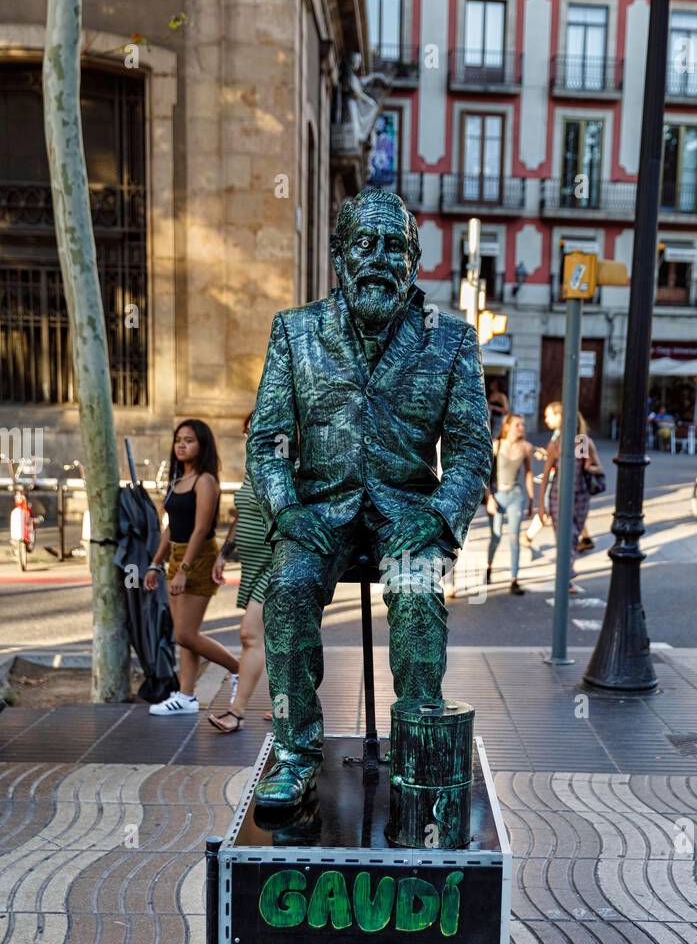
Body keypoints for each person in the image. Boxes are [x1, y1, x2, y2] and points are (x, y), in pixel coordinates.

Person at [246, 186, 492, 806]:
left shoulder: (452, 340)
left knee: (415, 588)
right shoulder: (295, 332)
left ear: (413, 260)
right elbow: (268, 440)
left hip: (409, 512)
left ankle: (418, 755)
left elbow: (470, 453)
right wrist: (288, 510)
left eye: (394, 246)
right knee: (290, 588)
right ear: (339, 254)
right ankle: (296, 754)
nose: (378, 258)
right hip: (318, 511)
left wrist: (439, 516)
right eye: (365, 243)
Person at [144, 420, 239, 715]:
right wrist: (154, 564)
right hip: (176, 556)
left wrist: (184, 570)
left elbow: (200, 530)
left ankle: (237, 669)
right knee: (185, 632)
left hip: (197, 559)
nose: (182, 445)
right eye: (178, 440)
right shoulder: (177, 481)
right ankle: (186, 697)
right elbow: (172, 528)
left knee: (185, 634)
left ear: (202, 446)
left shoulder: (205, 481)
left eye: (189, 440)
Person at [209, 413, 273, 733]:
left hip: (276, 563)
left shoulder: (288, 467)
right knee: (275, 636)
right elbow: (240, 516)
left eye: (256, 431)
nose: (249, 439)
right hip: (252, 565)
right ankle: (287, 705)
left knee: (250, 633)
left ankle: (237, 712)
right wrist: (224, 554)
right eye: (246, 433)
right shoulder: (253, 470)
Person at [540, 412, 603, 589]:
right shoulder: (556, 445)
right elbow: (545, 476)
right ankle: (566, 575)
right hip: (557, 497)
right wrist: (540, 506)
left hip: (581, 496)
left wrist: (589, 466)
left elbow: (599, 469)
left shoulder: (585, 443)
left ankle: (567, 571)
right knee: (564, 537)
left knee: (574, 536)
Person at [486, 413, 534, 595]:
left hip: (515, 495)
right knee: (496, 537)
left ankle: (514, 580)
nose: (522, 427)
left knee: (514, 538)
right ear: (507, 427)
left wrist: (531, 499)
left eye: (523, 424)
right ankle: (489, 568)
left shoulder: (525, 448)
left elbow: (529, 473)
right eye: (518, 424)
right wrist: (489, 498)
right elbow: (486, 475)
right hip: (497, 495)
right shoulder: (496, 445)